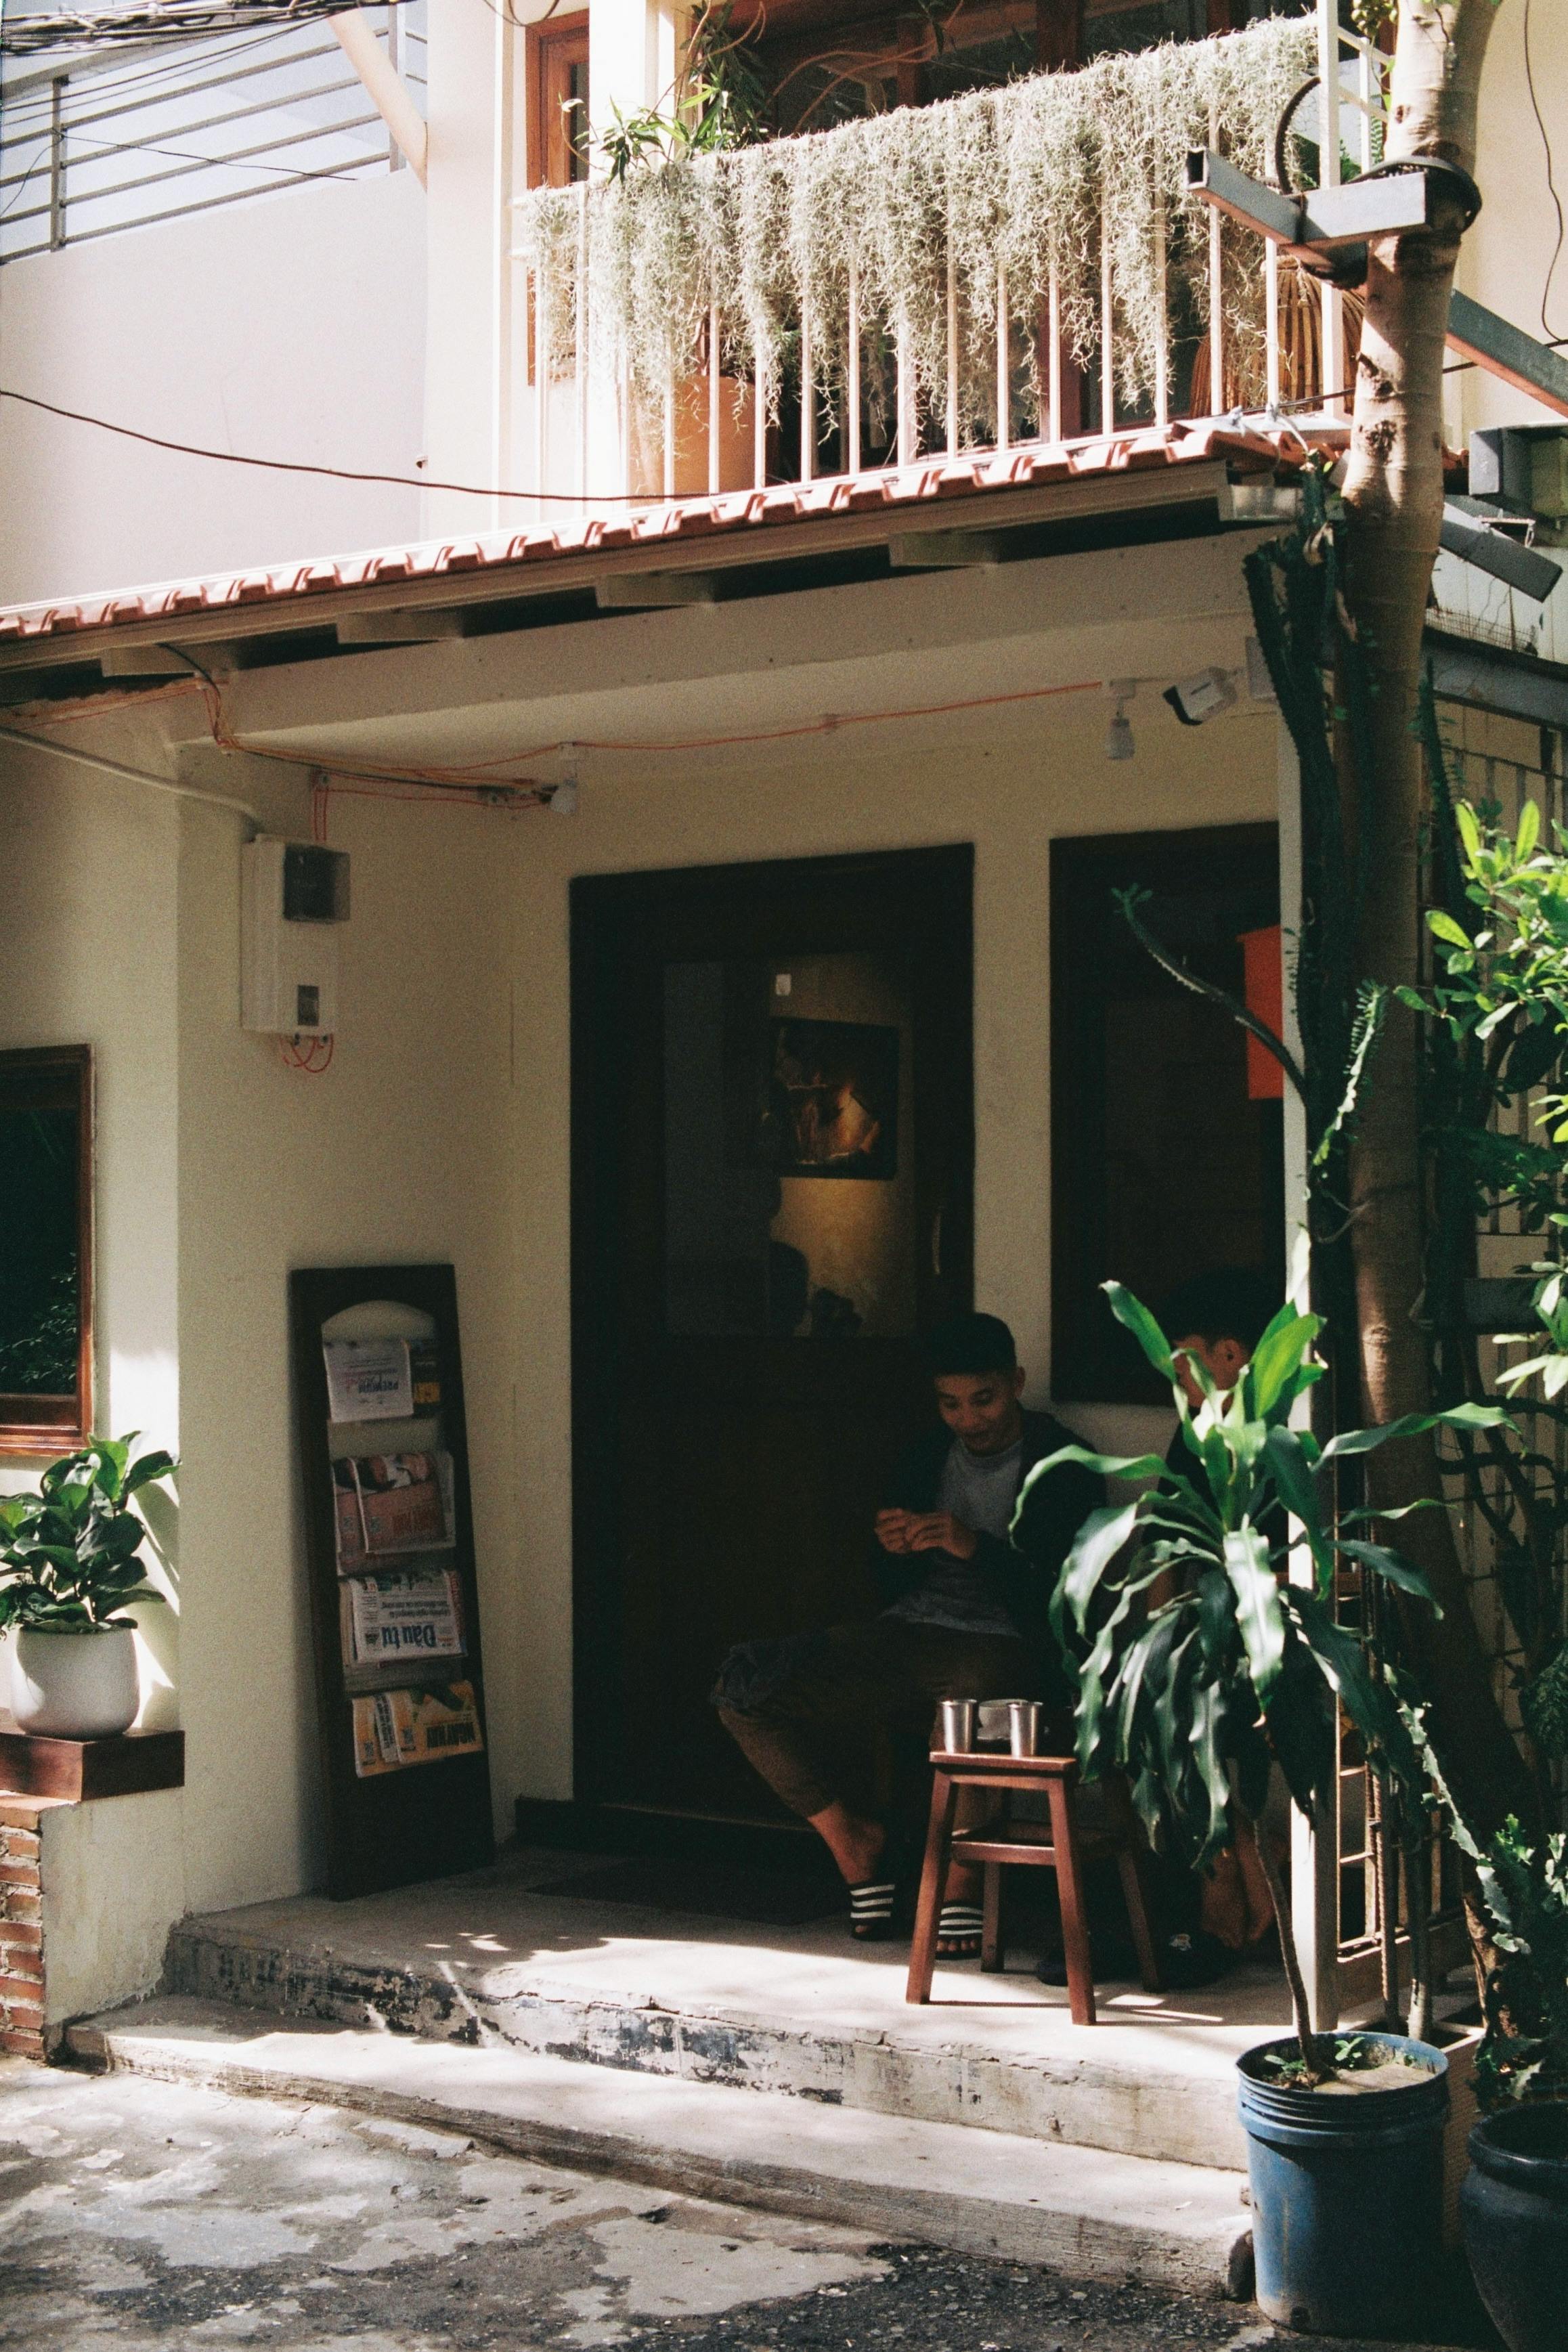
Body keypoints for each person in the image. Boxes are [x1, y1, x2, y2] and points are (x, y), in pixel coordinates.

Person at [714, 1313, 1102, 1955]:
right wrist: (892, 1545)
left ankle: (960, 1880)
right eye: (950, 1404)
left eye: (984, 1400)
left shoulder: (1064, 1462)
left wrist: (974, 1546)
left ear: (1016, 1382)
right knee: (745, 1684)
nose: (968, 1419)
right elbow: (886, 1585)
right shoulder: (925, 1455)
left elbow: (1062, 1596)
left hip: (1006, 1645)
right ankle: (852, 1841)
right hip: (910, 1632)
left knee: (975, 1701)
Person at [1158, 1266, 1287, 1982]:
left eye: (1182, 1363)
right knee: (1157, 1693)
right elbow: (1163, 1546)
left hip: (1278, 1632)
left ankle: (1227, 1900)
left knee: (1214, 1710)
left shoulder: (1288, 1435)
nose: (1174, 1380)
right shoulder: (1194, 1437)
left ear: (1229, 1355)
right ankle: (1234, 1859)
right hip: (1205, 1630)